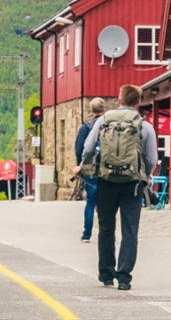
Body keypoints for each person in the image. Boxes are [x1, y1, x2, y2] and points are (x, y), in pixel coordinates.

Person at [81, 85, 157, 290]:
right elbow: (152, 158)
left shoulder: (104, 120)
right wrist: (146, 175)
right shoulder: (144, 125)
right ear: (138, 103)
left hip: (106, 180)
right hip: (132, 183)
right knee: (130, 229)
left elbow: (88, 148)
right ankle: (124, 277)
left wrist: (86, 168)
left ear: (119, 99)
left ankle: (106, 274)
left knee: (106, 227)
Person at [73, 98, 106, 243]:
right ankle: (106, 232)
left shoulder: (85, 127)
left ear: (91, 110)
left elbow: (79, 149)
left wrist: (80, 167)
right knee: (106, 202)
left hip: (90, 169)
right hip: (107, 168)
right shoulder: (109, 125)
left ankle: (87, 234)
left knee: (90, 202)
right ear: (104, 109)